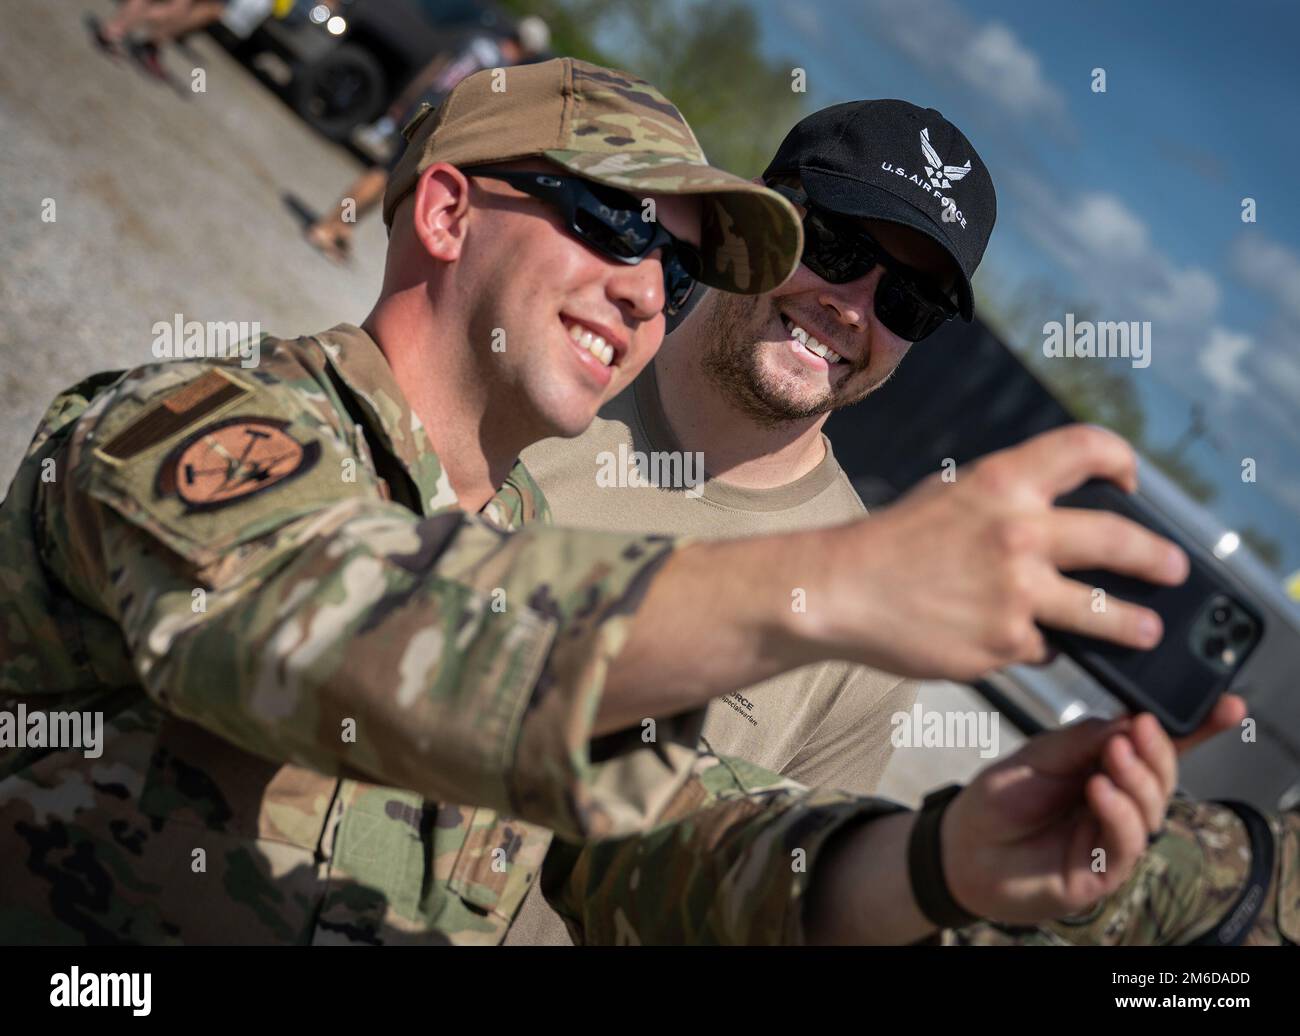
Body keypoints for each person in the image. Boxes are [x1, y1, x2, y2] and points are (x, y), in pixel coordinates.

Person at [0, 59, 1211, 945]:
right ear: (445, 210)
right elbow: (332, 618)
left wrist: (944, 861)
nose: (644, 284)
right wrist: (847, 583)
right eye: (609, 218)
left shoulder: (514, 534)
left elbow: (673, 835)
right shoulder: (193, 423)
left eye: (678, 260)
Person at [515, 99, 1296, 946]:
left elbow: (772, 902)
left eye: (912, 302)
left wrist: (944, 865)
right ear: (758, 212)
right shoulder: (548, 375)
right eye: (840, 246)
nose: (854, 309)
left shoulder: (866, 631)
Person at [304, 16, 551, 263]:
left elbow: (435, 68)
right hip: (434, 124)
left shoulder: (476, 39)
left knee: (394, 182)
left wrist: (406, 100)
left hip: (420, 108)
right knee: (383, 175)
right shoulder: (501, 71)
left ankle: (343, 227)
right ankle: (328, 225)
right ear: (528, 49)